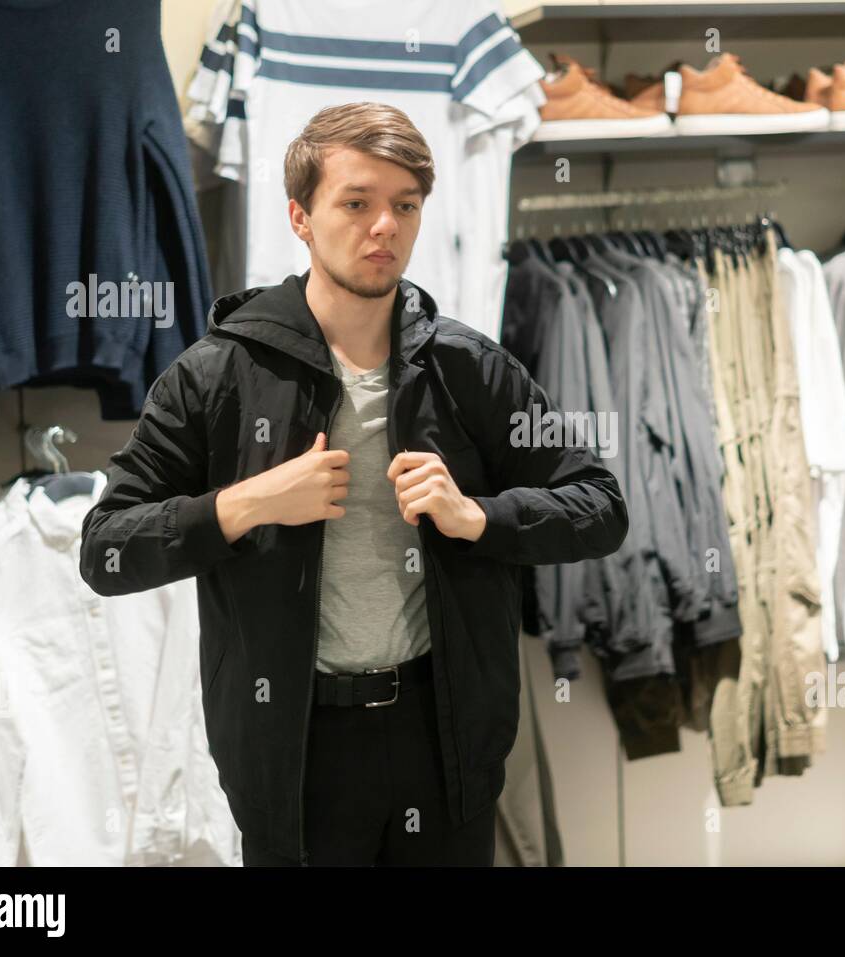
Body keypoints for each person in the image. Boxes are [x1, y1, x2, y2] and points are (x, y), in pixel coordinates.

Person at [79, 102, 628, 866]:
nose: (385, 228)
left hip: (444, 744)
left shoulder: (470, 369)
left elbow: (600, 507)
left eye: (405, 206)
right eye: (358, 203)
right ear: (301, 217)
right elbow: (106, 550)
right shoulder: (215, 377)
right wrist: (251, 503)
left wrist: (480, 517)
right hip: (295, 754)